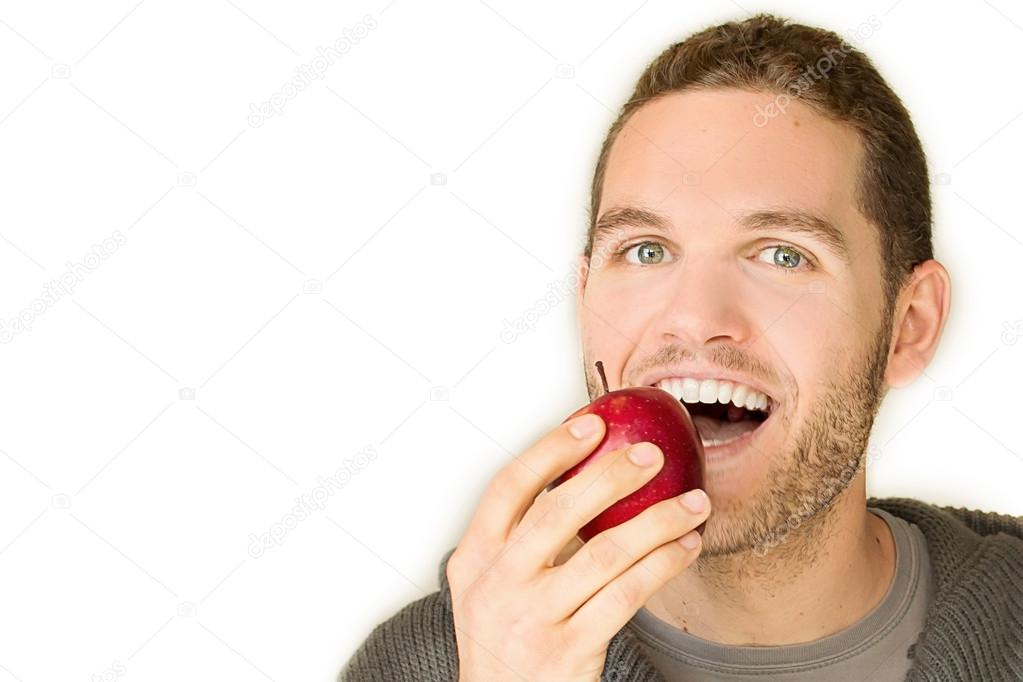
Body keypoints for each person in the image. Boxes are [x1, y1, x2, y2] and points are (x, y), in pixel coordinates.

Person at [339, 12, 1023, 681]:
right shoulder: (432, 664)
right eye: (644, 250)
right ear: (583, 300)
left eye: (782, 255)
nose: (694, 319)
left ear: (909, 325)